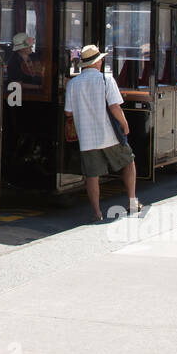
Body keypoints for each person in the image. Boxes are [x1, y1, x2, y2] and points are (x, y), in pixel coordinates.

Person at [64, 44, 140, 222]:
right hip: (109, 134)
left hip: (87, 138)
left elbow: (68, 112)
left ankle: (97, 212)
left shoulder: (73, 84)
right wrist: (125, 124)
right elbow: (114, 106)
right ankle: (132, 201)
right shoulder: (106, 80)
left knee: (92, 175)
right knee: (128, 162)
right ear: (97, 62)